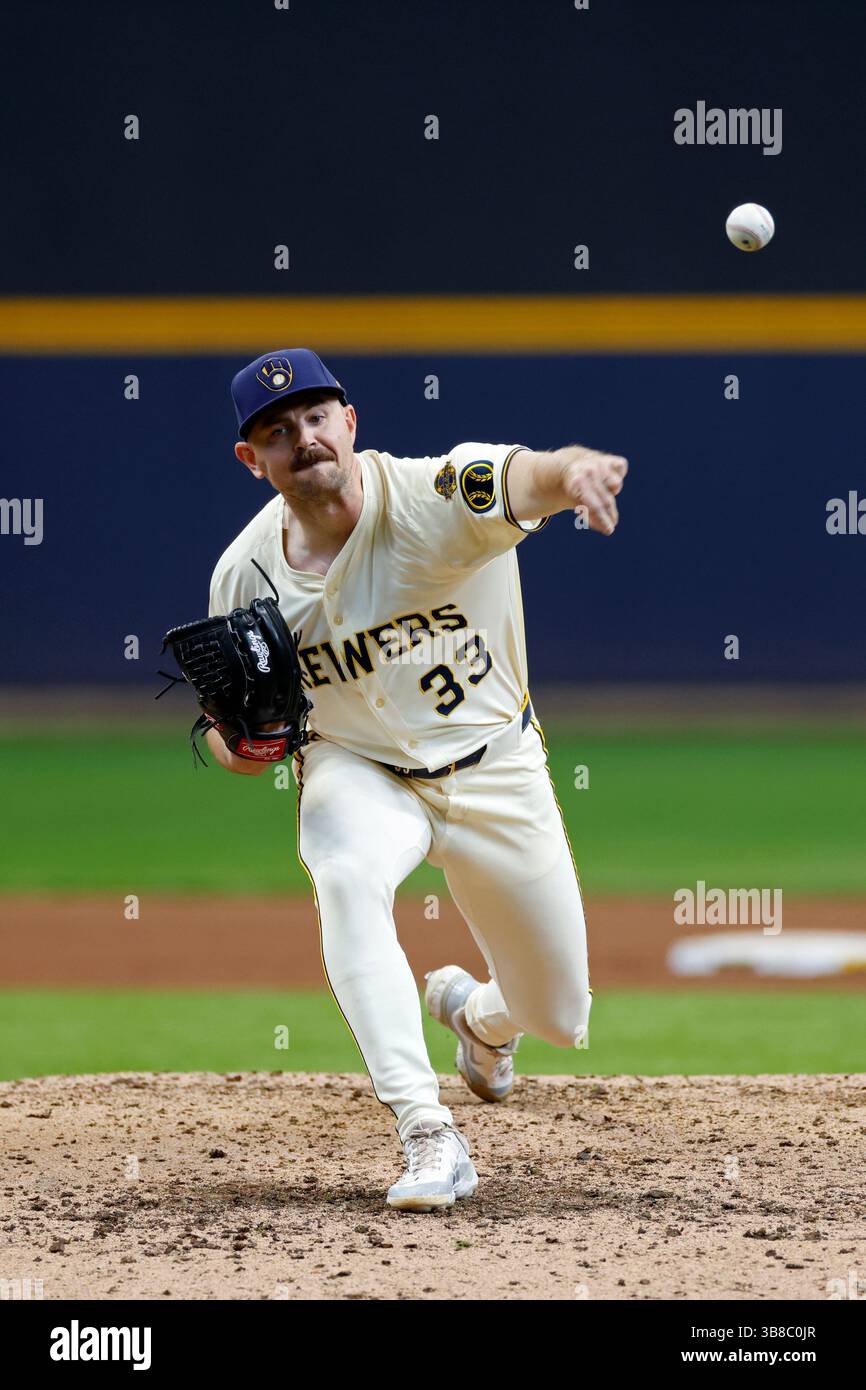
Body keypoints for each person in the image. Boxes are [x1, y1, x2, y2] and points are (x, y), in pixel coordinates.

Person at [207, 348, 628, 1212]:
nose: (305, 438)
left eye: (319, 417)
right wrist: (240, 749)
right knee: (347, 874)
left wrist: (575, 469)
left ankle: (479, 1018)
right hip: (359, 769)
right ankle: (427, 1132)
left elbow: (523, 477)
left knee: (560, 1014)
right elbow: (232, 733)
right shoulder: (242, 579)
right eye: (278, 431)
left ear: (350, 422)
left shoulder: (437, 498)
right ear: (254, 461)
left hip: (496, 768)